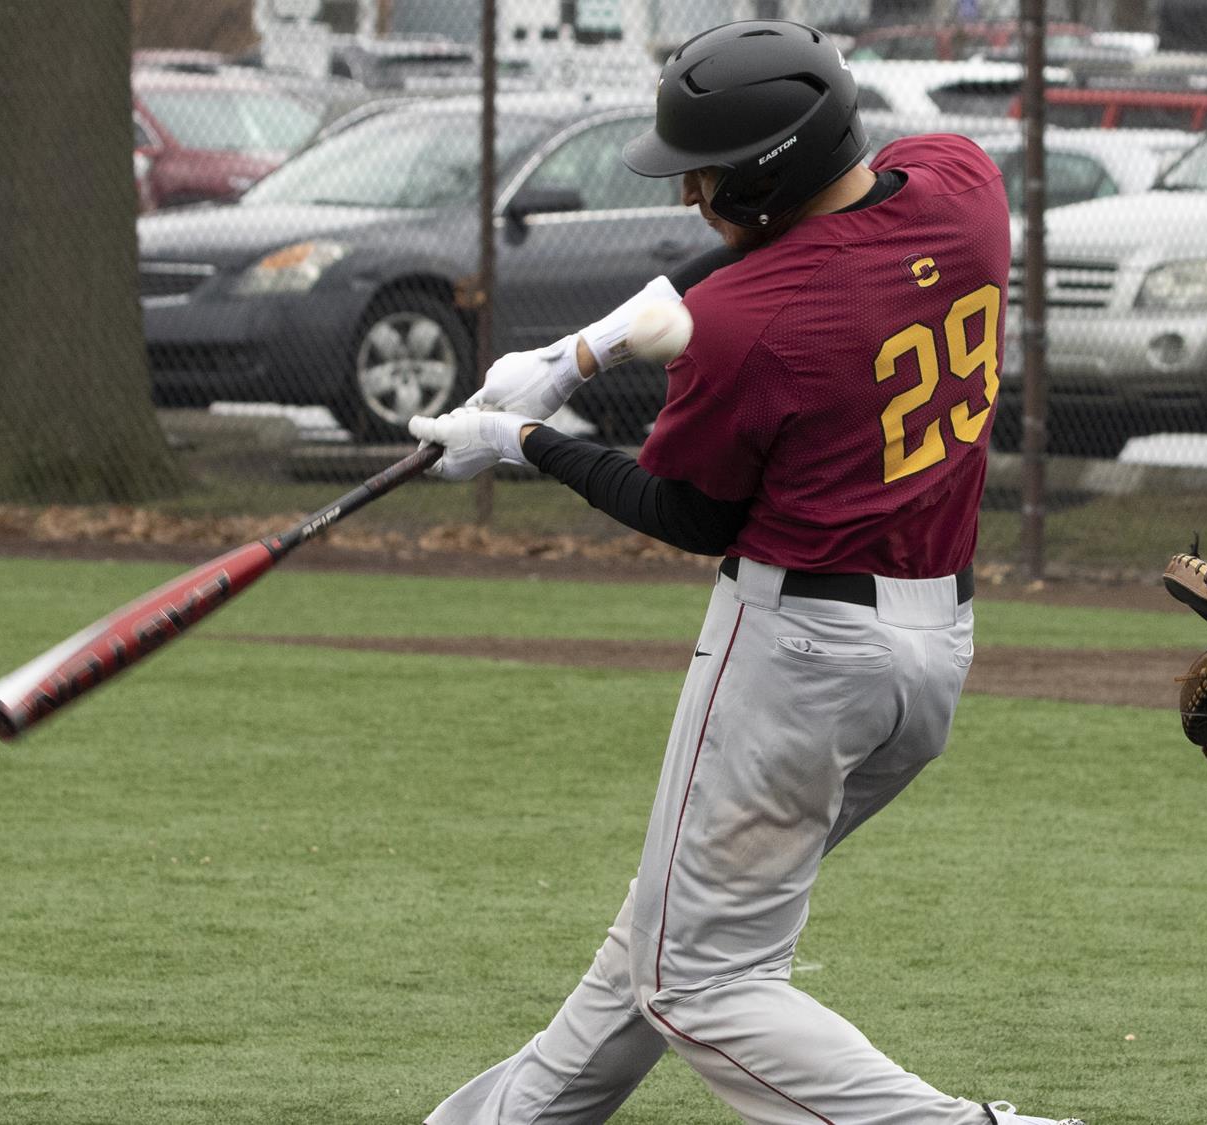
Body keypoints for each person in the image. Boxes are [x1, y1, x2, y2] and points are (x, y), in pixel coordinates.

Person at [408, 20, 1081, 1125]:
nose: (688, 200)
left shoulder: (742, 327)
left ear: (763, 177)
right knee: (663, 932)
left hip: (795, 667)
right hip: (931, 654)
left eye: (705, 176)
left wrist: (524, 443)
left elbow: (686, 511)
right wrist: (578, 354)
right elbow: (796, 251)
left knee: (696, 980)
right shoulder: (964, 188)